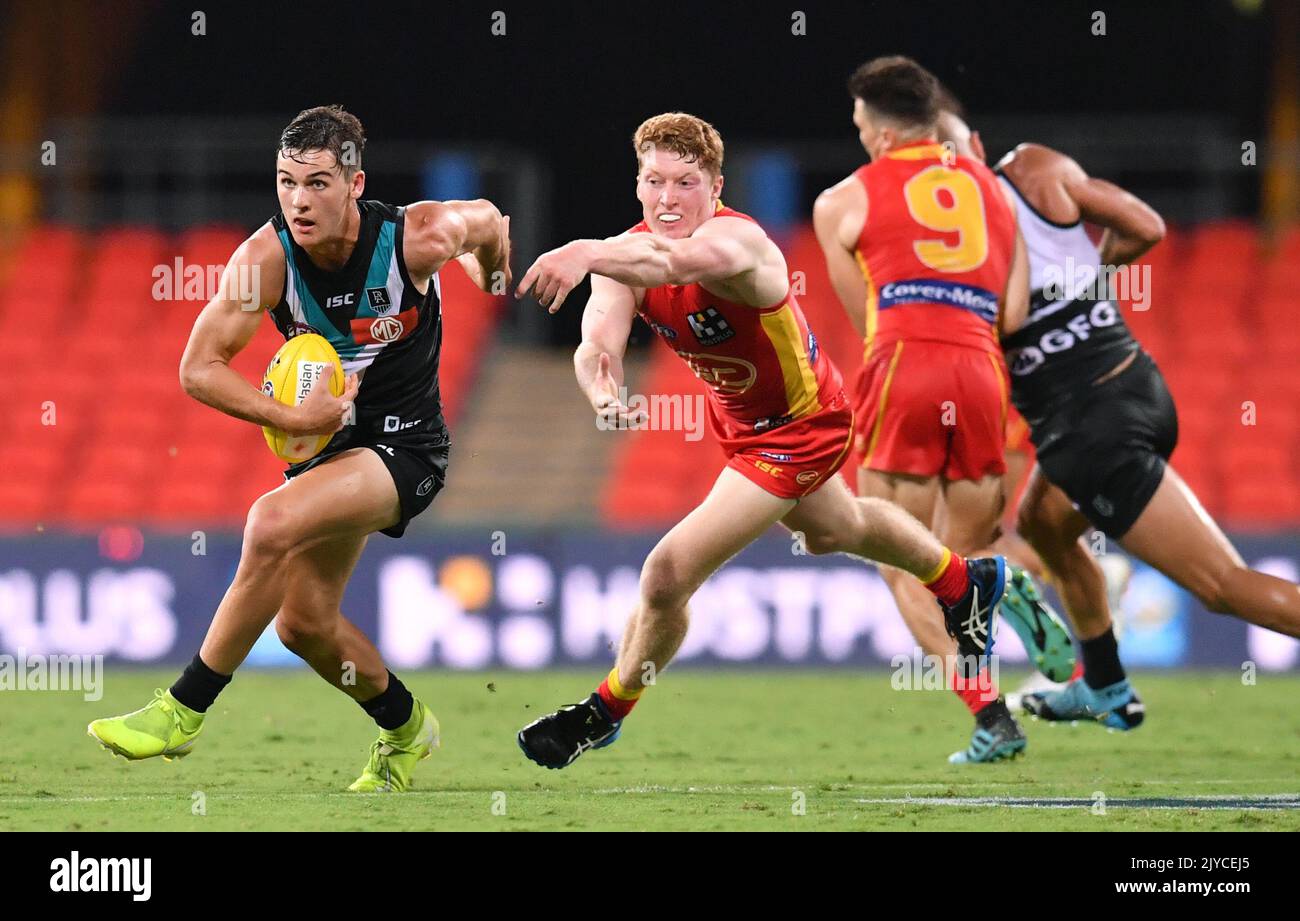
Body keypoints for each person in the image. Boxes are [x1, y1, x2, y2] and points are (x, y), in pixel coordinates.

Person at [513, 111, 1008, 770]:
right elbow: (597, 340)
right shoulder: (621, 256)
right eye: (654, 181)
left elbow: (673, 259)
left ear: (716, 186)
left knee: (665, 576)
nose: (667, 199)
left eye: (685, 182)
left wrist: (581, 249)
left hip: (804, 427)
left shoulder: (739, 245)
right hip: (743, 427)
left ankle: (605, 709)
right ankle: (964, 580)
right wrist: (602, 387)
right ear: (637, 184)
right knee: (840, 526)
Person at [87, 105, 512, 792]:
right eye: (286, 182)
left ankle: (182, 709)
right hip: (329, 450)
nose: (298, 200)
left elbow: (490, 219)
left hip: (408, 446)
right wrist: (291, 413)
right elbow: (198, 367)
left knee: (270, 521)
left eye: (317, 182)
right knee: (304, 625)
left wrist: (493, 275)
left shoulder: (418, 236)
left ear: (354, 182)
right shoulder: (265, 259)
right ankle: (407, 729)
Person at [982, 131, 1300, 728]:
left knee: (1222, 585)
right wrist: (1084, 279)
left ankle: (1104, 682)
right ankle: (1105, 685)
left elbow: (1001, 322)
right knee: (1043, 523)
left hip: (1093, 429)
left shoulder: (965, 241)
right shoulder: (1035, 170)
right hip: (1130, 388)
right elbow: (1147, 227)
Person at [814, 57, 1071, 763]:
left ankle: (990, 715)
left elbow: (867, 316)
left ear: (883, 129)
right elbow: (1013, 311)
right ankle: (1007, 581)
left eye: (862, 125)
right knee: (964, 551)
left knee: (901, 561)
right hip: (984, 372)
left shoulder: (843, 198)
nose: (862, 136)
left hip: (904, 364)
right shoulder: (996, 192)